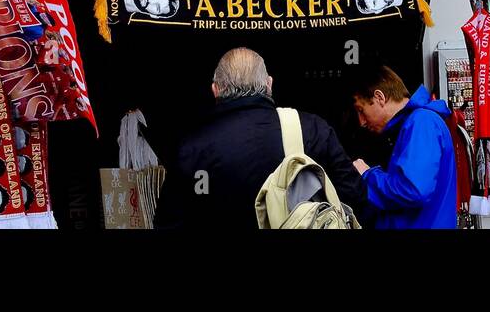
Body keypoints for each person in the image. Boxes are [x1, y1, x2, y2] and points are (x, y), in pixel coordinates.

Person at [156, 48, 365, 229]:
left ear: (215, 90)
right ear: (269, 84)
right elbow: (353, 197)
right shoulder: (313, 129)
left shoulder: (193, 148)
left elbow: (170, 222)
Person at [351, 65, 457, 229]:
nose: (361, 122)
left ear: (380, 97)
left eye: (361, 110)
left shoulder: (421, 122)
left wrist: (368, 174)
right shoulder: (414, 124)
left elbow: (413, 190)